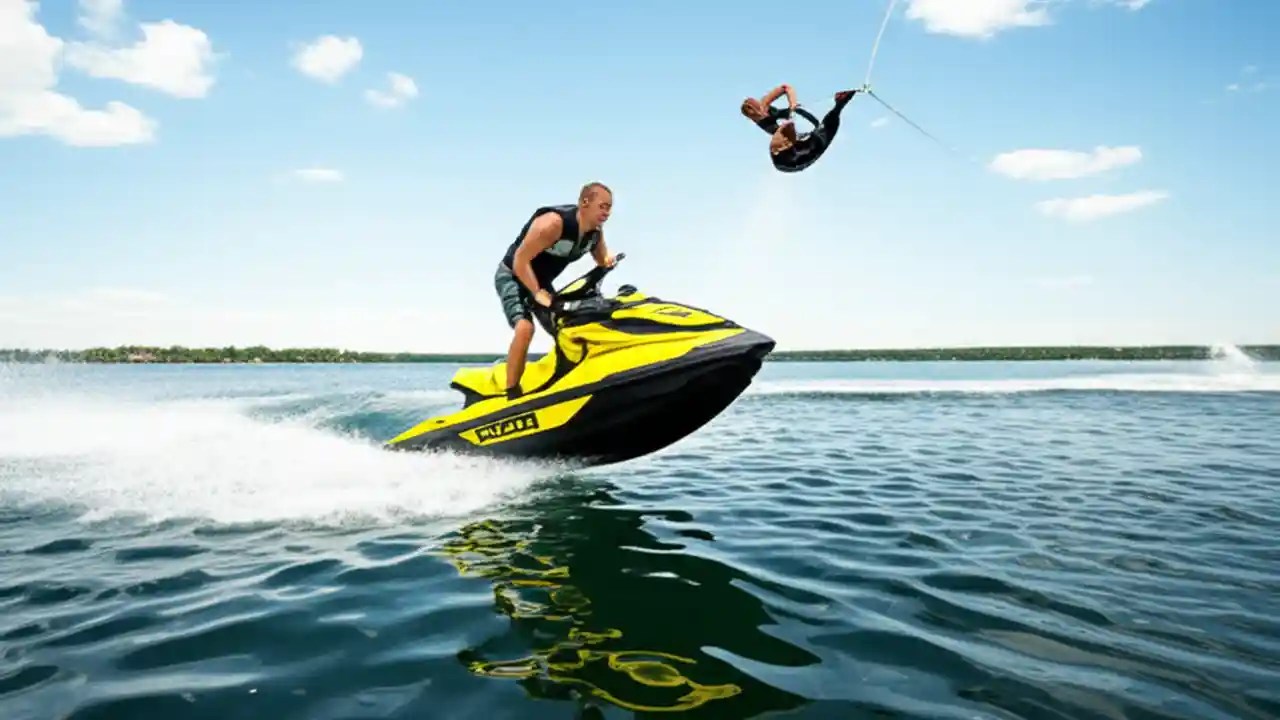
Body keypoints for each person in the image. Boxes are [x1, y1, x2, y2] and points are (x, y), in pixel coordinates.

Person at [494, 182, 616, 399]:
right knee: (524, 328)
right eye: (603, 206)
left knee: (566, 328)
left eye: (609, 208)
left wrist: (609, 261)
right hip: (513, 275)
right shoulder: (552, 224)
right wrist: (536, 292)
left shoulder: (594, 233)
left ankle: (571, 380)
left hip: (541, 282)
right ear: (584, 203)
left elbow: (601, 259)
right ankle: (511, 394)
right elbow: (520, 261)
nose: (607, 212)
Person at [740, 85, 859, 173]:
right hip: (787, 160)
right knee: (813, 140)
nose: (764, 111)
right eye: (759, 113)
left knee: (825, 127)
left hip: (799, 141)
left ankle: (840, 102)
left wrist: (792, 104)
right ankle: (840, 103)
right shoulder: (762, 121)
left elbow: (786, 87)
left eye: (762, 108)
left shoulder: (764, 104)